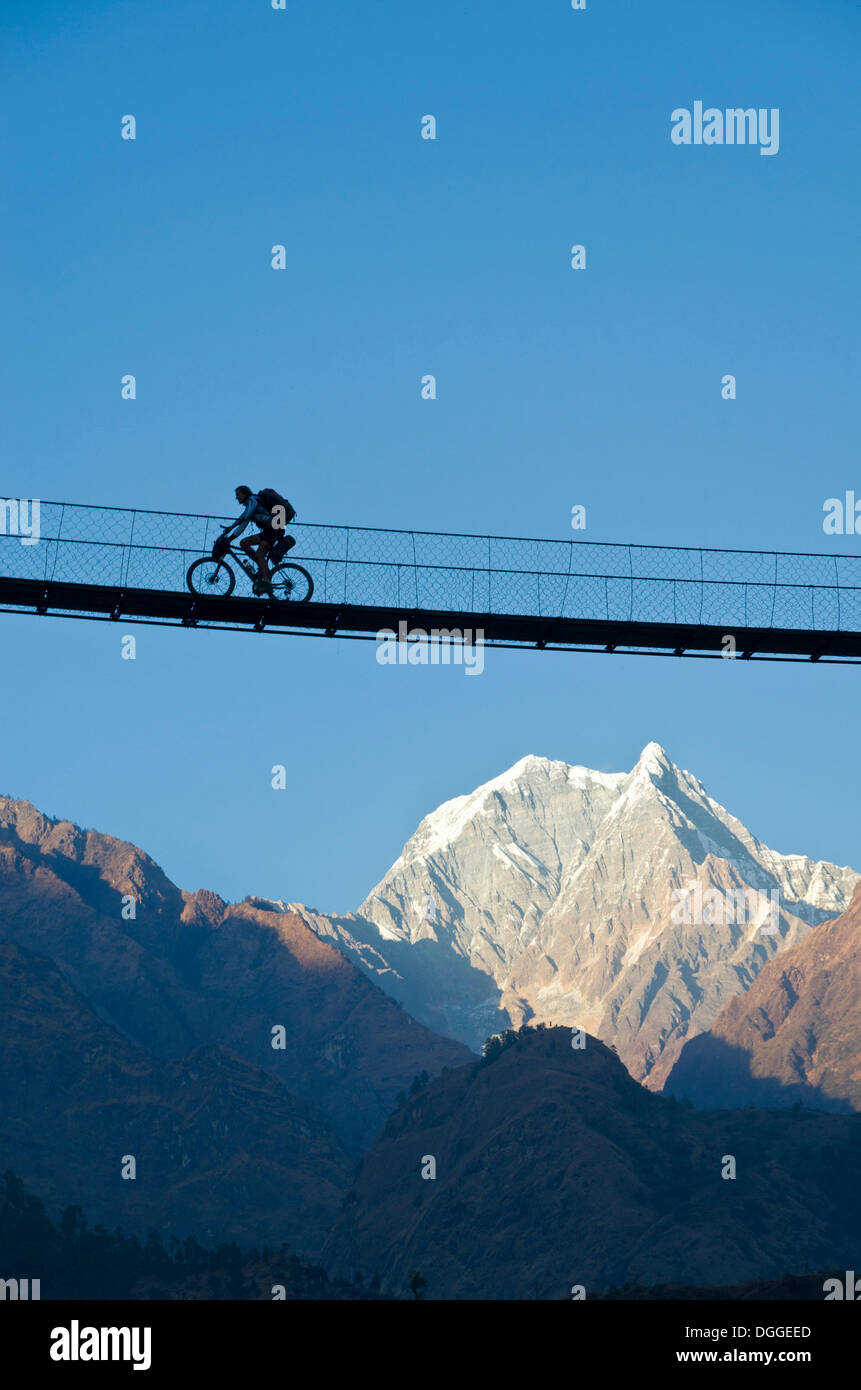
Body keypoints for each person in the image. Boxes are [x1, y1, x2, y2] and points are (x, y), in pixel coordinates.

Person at [222, 485, 282, 590]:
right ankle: (262, 566)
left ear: (245, 494)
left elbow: (246, 517)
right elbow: (243, 520)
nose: (236, 497)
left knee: (259, 554)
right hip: (268, 530)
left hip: (272, 528)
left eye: (238, 494)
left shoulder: (253, 500)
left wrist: (231, 534)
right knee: (244, 543)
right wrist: (231, 531)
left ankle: (267, 581)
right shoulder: (249, 504)